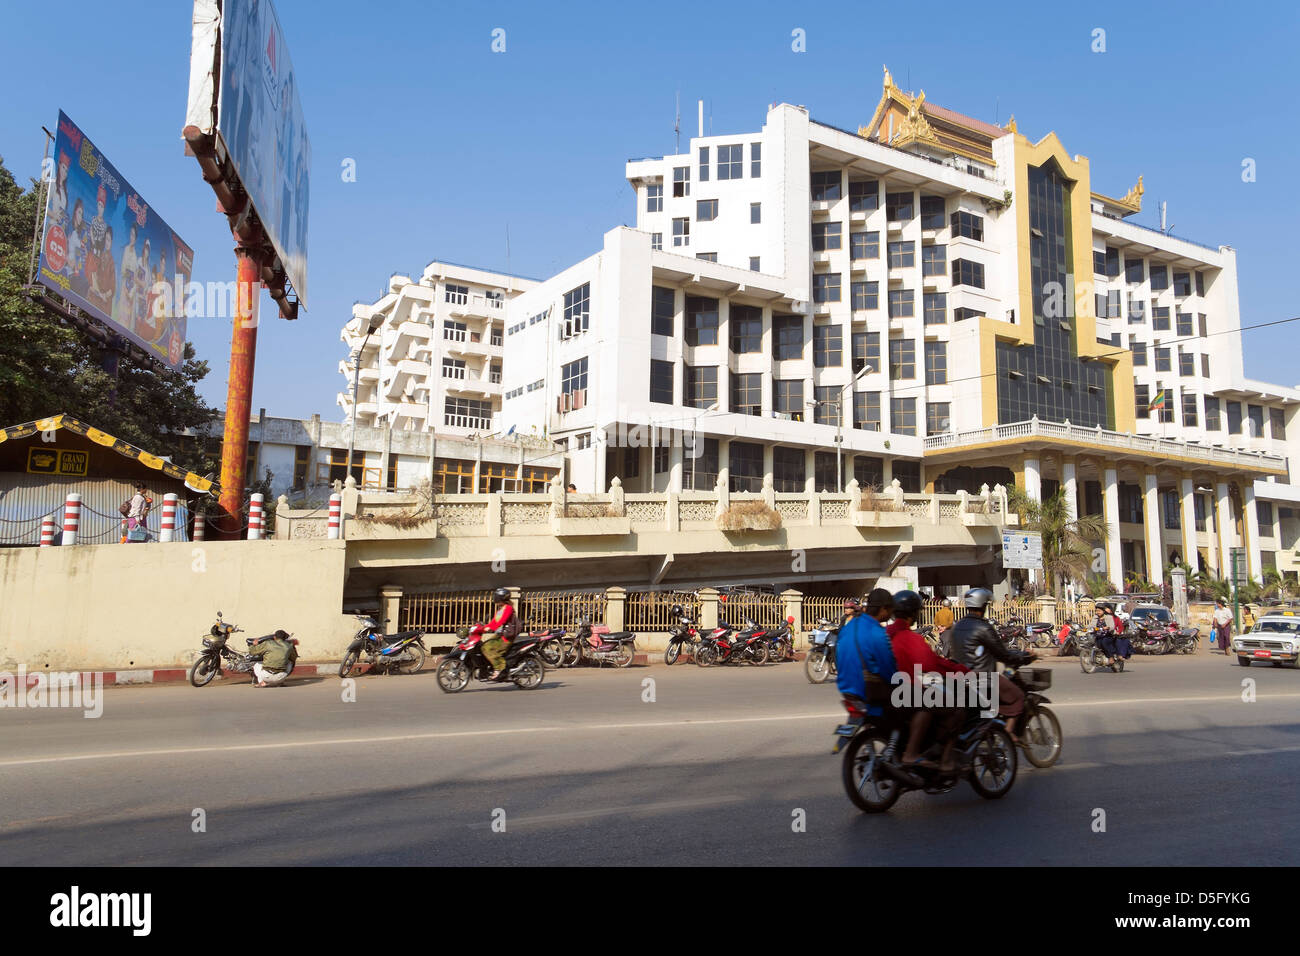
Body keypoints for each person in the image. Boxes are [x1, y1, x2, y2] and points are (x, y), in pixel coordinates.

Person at [888, 590, 970, 774]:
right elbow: (931, 664)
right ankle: (946, 760)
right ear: (913, 613)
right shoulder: (910, 637)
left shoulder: (887, 633)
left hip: (891, 689)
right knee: (957, 710)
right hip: (907, 690)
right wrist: (960, 671)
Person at [947, 588, 1035, 742]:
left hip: (961, 679)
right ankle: (1008, 729)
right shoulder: (983, 627)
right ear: (983, 606)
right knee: (1018, 696)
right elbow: (1004, 655)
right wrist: (1026, 656)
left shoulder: (957, 627)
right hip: (984, 679)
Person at [835, 589, 897, 716]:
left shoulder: (849, 626)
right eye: (890, 609)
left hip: (845, 688)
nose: (891, 613)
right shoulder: (877, 633)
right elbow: (889, 670)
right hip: (866, 690)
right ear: (883, 609)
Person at [481, 586, 518, 680]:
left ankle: (500, 669)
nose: (495, 599)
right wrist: (482, 628)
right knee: (484, 645)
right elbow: (494, 621)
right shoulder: (501, 609)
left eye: (496, 597)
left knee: (488, 648)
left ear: (501, 598)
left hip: (506, 637)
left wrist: (489, 628)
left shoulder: (508, 608)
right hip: (500, 635)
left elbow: (500, 621)